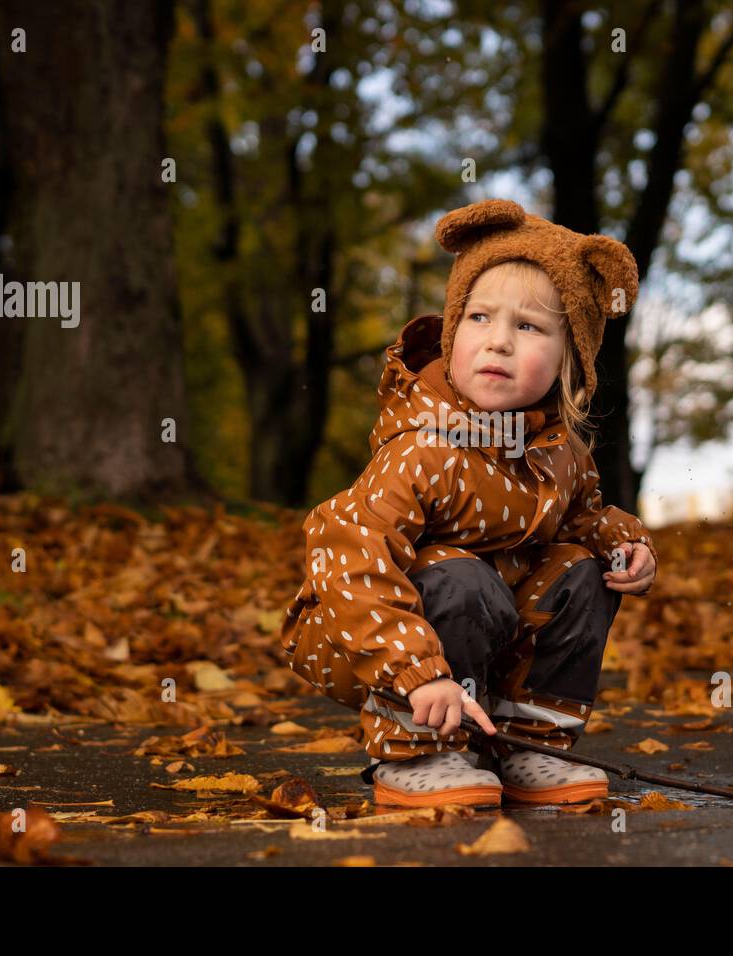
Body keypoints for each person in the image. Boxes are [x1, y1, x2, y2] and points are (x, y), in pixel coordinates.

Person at [280, 198, 658, 808]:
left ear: (571, 361)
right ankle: (418, 748)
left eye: (528, 327)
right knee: (461, 578)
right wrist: (416, 670)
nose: (498, 342)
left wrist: (626, 545)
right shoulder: (424, 450)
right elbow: (349, 556)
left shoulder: (560, 455)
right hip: (366, 633)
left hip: (489, 628)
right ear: (452, 332)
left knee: (582, 573)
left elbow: (585, 518)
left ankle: (529, 742)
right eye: (479, 318)